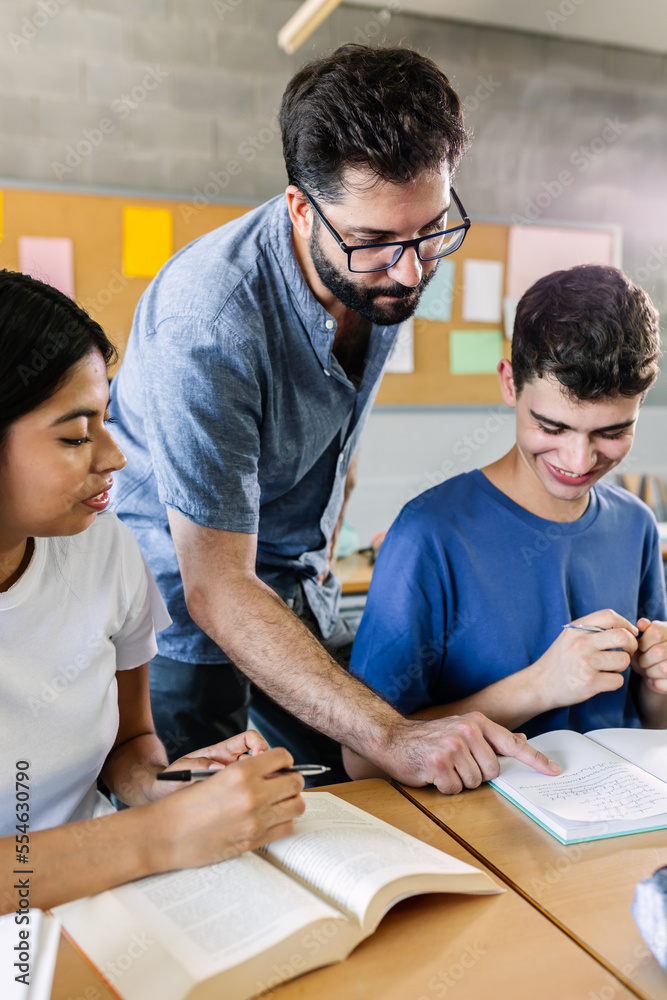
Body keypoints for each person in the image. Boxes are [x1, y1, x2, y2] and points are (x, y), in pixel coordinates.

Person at [107, 43, 559, 792]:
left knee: (353, 789)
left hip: (288, 582)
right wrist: (392, 734)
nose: (411, 270)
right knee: (215, 830)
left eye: (431, 231)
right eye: (377, 242)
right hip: (181, 618)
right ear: (298, 209)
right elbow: (215, 586)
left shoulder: (381, 265)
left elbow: (332, 439)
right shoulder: (209, 321)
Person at [0, 270, 306, 916]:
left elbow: (128, 743)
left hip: (100, 907)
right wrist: (156, 836)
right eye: (76, 435)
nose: (114, 457)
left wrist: (162, 788)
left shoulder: (102, 546)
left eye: (107, 422)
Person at [345, 264, 667, 778]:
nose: (579, 459)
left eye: (611, 432)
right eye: (552, 426)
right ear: (510, 383)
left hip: (615, 828)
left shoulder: (636, 526)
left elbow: (652, 728)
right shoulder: (430, 534)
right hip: (481, 833)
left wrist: (657, 688)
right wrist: (540, 686)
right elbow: (363, 758)